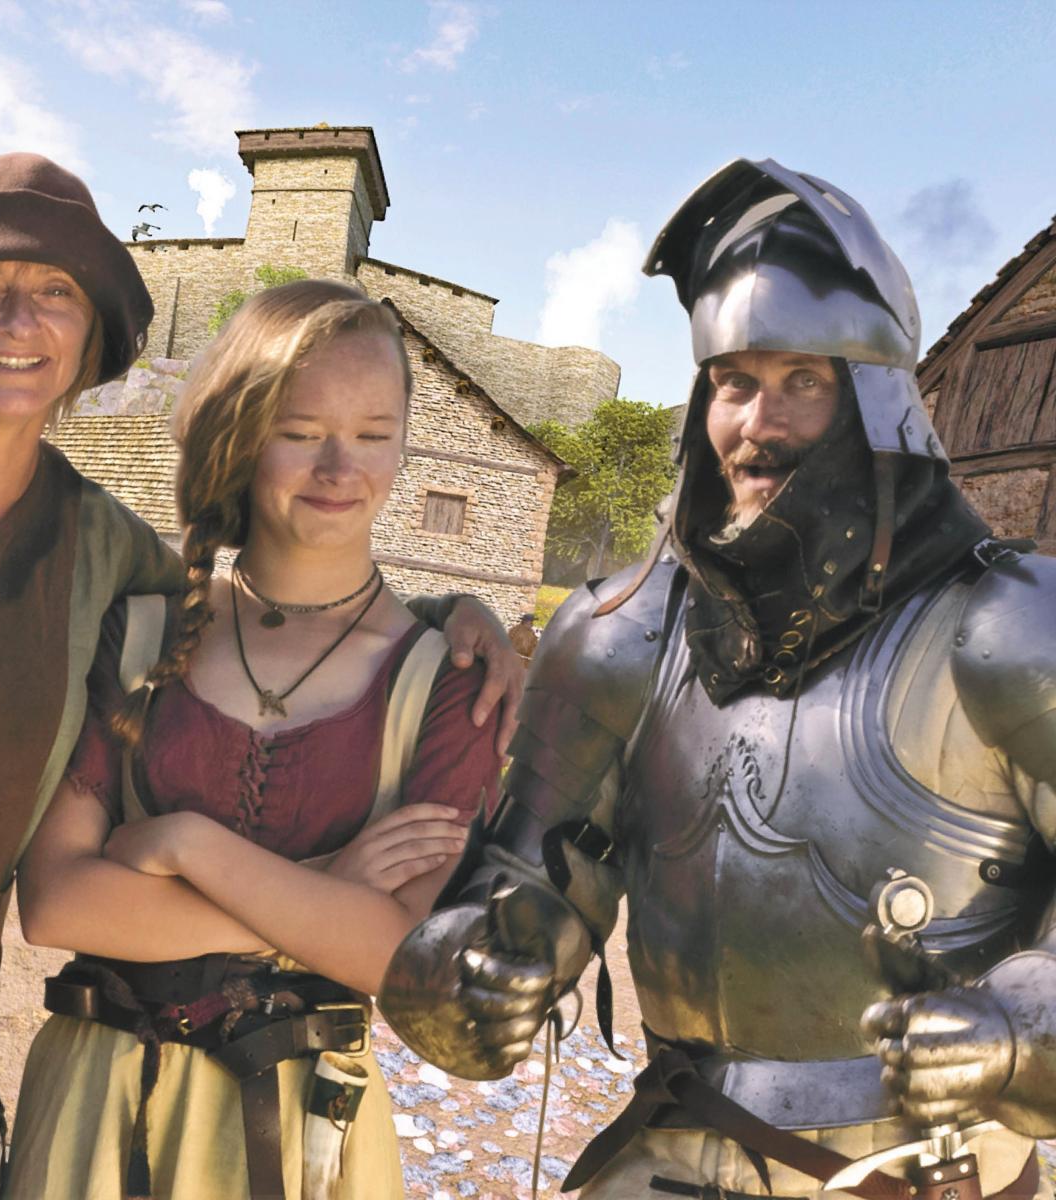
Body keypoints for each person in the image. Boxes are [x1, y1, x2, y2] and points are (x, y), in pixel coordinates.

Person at [380, 160, 1056, 1199]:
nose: (756, 424)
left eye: (802, 382)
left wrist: (1017, 1030)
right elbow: (530, 877)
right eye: (734, 382)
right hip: (674, 1154)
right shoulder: (622, 630)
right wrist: (475, 964)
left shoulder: (1010, 625)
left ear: (875, 399)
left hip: (921, 1168)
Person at [0, 156, 519, 1200]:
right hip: (57, 1075)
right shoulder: (129, 609)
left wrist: (454, 616)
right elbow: (61, 901)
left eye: (57, 290)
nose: (21, 322)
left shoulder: (110, 557)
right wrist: (320, 902)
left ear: (89, 336)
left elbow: (294, 592)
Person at [4, 280, 504, 1200]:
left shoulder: (449, 682)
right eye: (301, 431)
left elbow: (395, 960)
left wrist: (187, 845)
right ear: (238, 434)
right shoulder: (140, 633)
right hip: (97, 1112)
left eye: (374, 434)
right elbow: (57, 904)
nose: (340, 468)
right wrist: (323, 892)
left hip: (307, 1137)